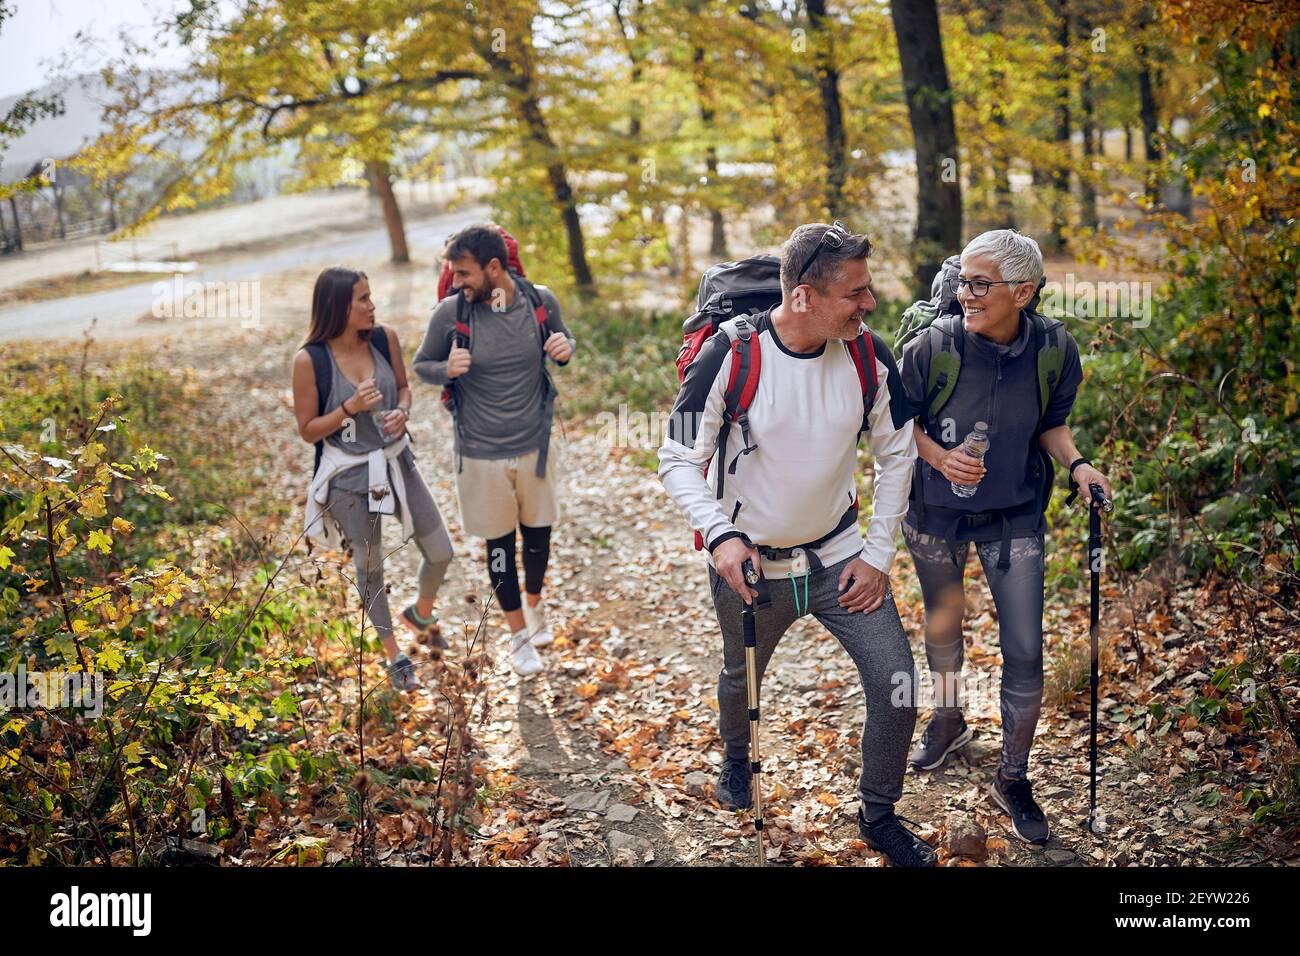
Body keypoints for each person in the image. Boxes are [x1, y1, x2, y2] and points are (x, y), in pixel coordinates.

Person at [658, 222, 937, 867]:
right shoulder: (734, 355)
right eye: (856, 293)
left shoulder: (868, 356)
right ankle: (736, 759)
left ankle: (878, 813)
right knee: (742, 674)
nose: (870, 304)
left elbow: (896, 457)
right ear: (805, 296)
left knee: (897, 680)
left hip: (842, 561)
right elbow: (676, 455)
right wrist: (722, 536)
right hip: (752, 566)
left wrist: (877, 554)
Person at [899, 229, 1113, 845]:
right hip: (935, 512)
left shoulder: (1054, 348)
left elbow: (1052, 424)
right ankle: (947, 720)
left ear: (1023, 292)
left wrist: (1078, 466)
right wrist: (938, 458)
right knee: (944, 627)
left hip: (1015, 512)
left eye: (979, 283)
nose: (964, 293)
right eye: (962, 281)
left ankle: (1012, 777)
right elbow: (892, 427)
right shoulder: (932, 347)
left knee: (1025, 648)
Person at [412, 225, 576, 677]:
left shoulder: (540, 301)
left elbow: (563, 343)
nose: (457, 283)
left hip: (535, 445)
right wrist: (444, 368)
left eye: (464, 274)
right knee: (500, 546)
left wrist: (565, 347)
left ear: (495, 268)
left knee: (538, 538)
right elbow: (421, 365)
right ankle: (519, 637)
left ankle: (533, 604)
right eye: (453, 274)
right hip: (481, 452)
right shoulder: (450, 315)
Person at [295, 266, 455, 692]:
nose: (372, 305)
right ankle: (395, 656)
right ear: (337, 307)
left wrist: (403, 410)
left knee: (440, 550)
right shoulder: (310, 360)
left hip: (395, 462)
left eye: (370, 296)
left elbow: (403, 388)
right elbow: (308, 429)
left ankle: (420, 613)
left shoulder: (384, 338)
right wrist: (348, 407)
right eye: (362, 299)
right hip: (348, 478)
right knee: (371, 567)